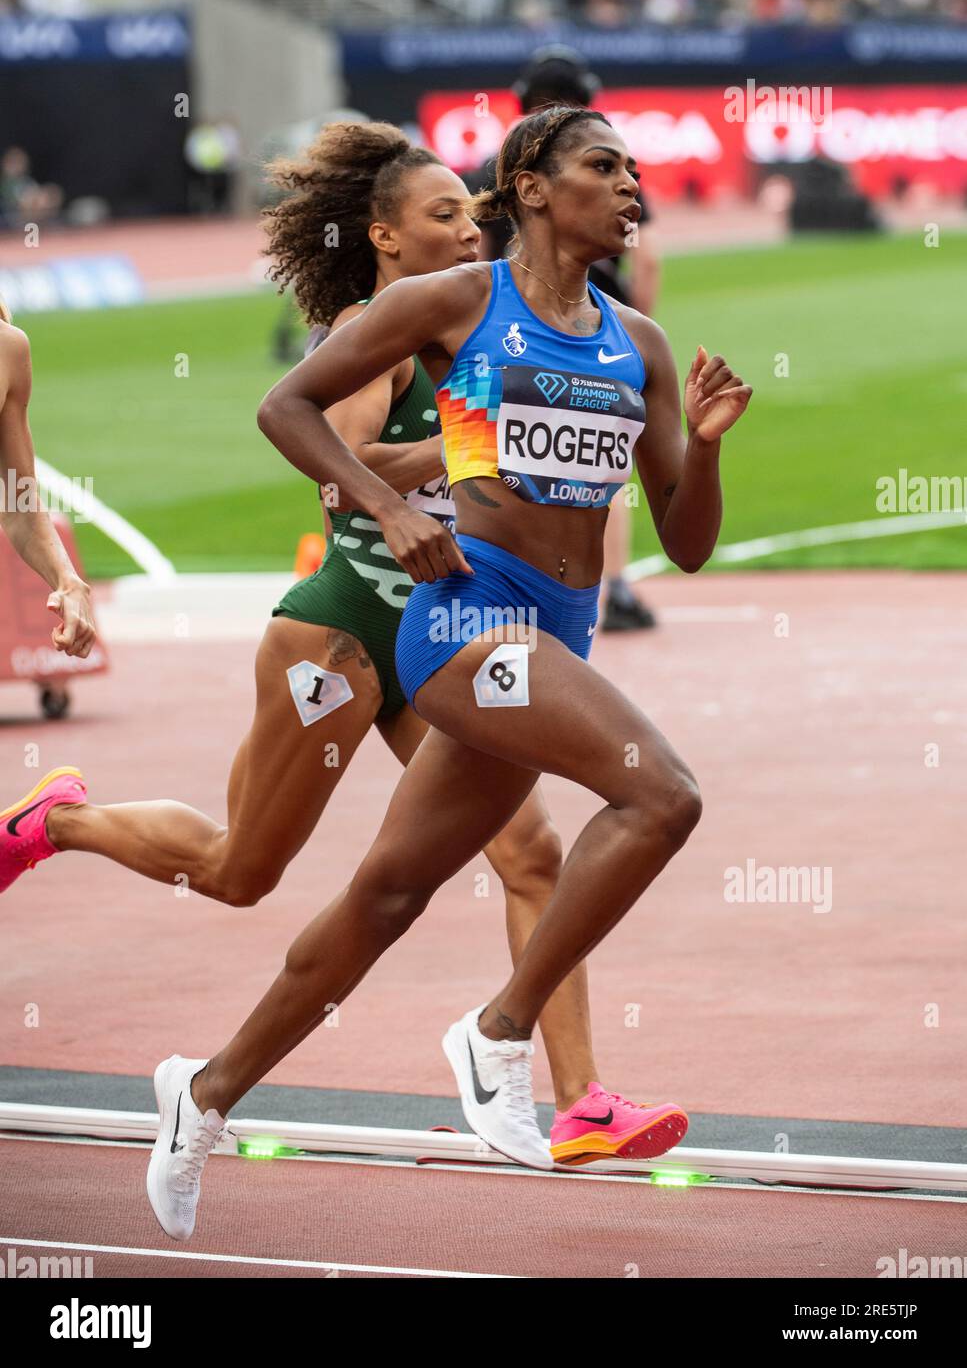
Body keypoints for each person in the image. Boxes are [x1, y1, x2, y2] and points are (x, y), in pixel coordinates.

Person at [0, 125, 684, 1172]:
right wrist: (465, 447)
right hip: (346, 628)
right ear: (386, 237)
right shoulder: (387, 328)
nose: (469, 228)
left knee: (526, 851)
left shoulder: (497, 329)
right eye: (444, 215)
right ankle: (66, 818)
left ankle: (577, 1093)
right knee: (241, 870)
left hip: (454, 622)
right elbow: (335, 466)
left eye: (473, 212)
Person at [143, 106, 751, 1239]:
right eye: (603, 167)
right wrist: (382, 506)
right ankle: (499, 1027)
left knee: (389, 892)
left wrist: (704, 448)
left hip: (554, 638)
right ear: (529, 185)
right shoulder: (459, 302)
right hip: (467, 625)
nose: (630, 187)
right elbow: (288, 408)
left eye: (634, 170)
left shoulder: (641, 344)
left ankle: (204, 1091)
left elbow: (688, 541)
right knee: (661, 792)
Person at [463, 46, 659, 632]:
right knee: (602, 462)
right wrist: (636, 337)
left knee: (503, 457)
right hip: (596, 323)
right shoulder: (612, 165)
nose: (621, 182)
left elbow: (478, 258)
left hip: (510, 329)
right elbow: (646, 263)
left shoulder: (497, 171)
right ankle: (616, 587)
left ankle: (497, 580)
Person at [0, 295, 96, 884]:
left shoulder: (9, 349)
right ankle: (26, 832)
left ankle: (27, 832)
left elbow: (19, 504)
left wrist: (68, 579)